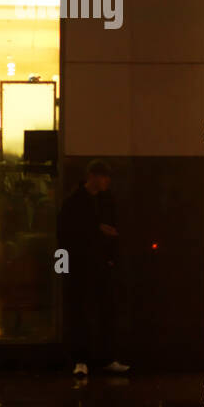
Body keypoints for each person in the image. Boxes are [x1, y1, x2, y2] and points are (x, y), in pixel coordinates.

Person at [58, 159, 128, 375]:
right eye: (103, 177)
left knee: (103, 311)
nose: (107, 181)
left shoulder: (94, 200)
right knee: (83, 312)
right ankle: (84, 359)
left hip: (98, 264)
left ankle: (99, 358)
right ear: (93, 177)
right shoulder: (77, 202)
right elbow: (67, 233)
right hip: (83, 265)